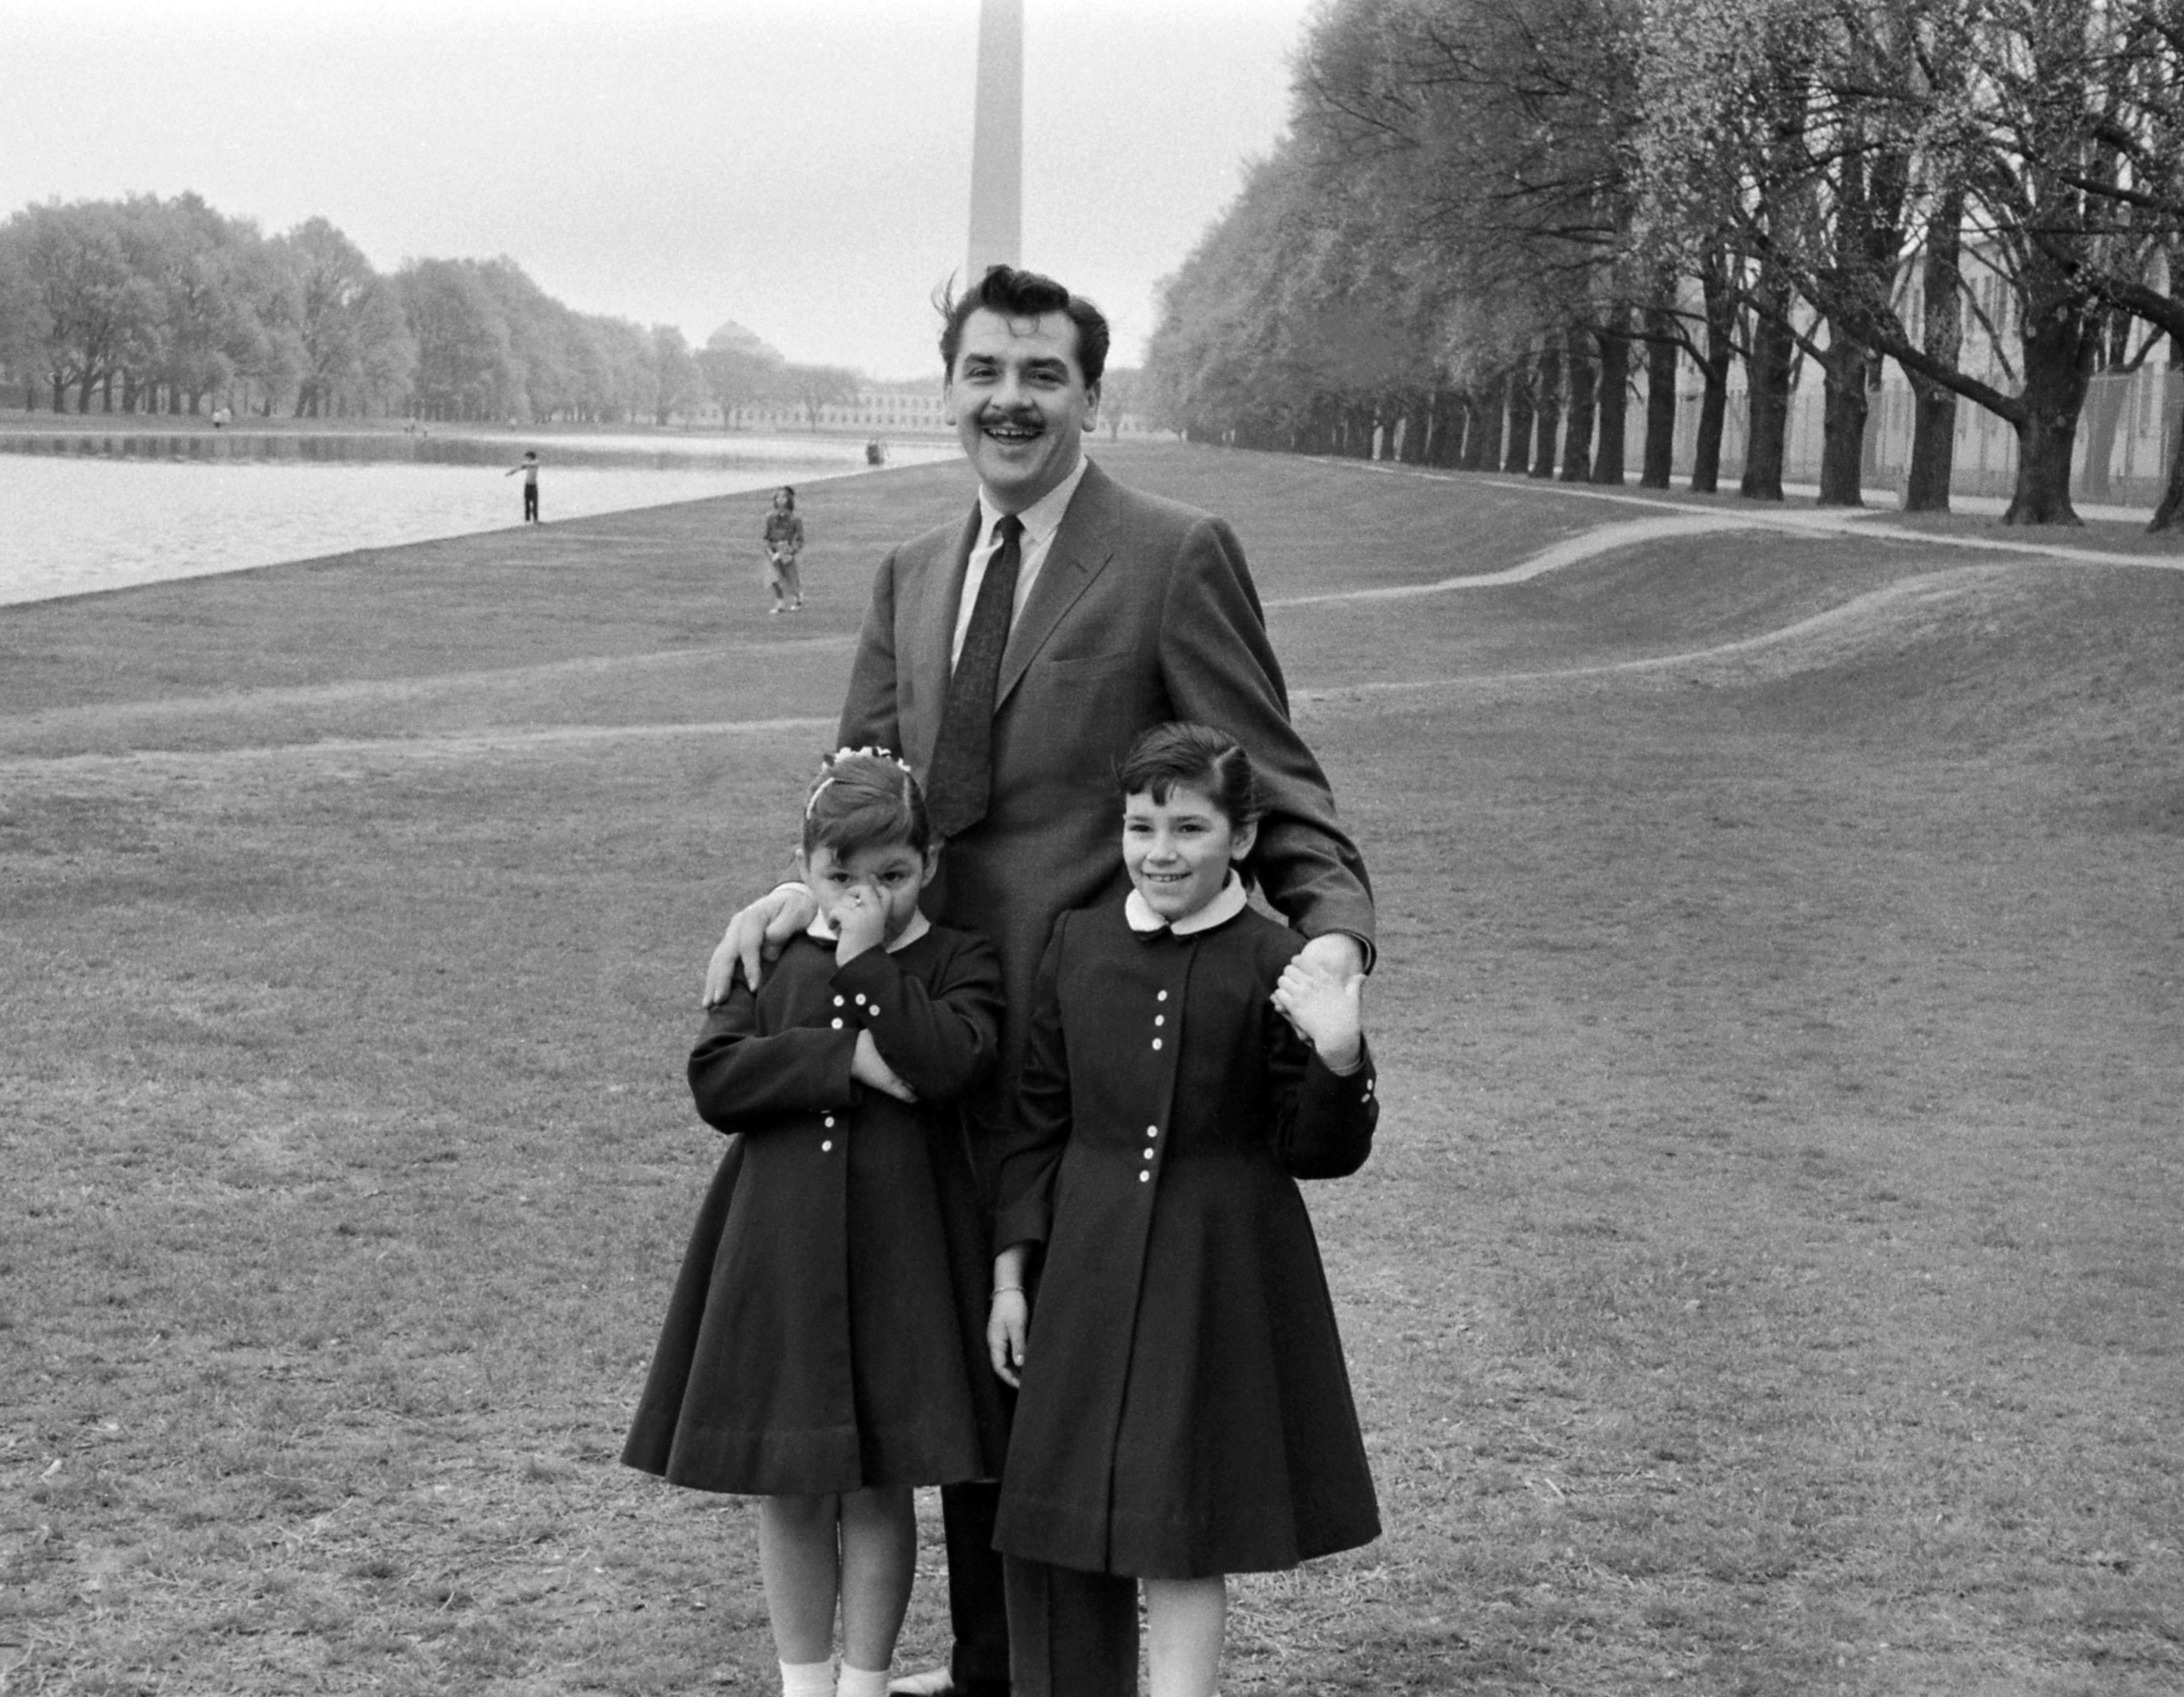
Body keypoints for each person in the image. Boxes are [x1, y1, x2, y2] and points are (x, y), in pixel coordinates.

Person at [705, 265, 1375, 1697]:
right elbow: (863, 810)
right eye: (985, 371)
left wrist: (1329, 930)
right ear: (948, 387)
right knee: (959, 1368)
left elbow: (1272, 772)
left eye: (1042, 374)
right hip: (924, 1041)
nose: (1010, 398)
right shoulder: (908, 574)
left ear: (1089, 392)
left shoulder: (1174, 551)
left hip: (1080, 1053)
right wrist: (792, 894)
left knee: (1057, 1394)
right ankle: (988, 1664)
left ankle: (1043, 1675)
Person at [984, 723, 1378, 1697]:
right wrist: (1009, 1277)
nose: (1160, 852)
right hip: (1086, 1262)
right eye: (1140, 826)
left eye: (1189, 828)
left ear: (1240, 839)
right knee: (1063, 1514)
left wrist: (1336, 1057)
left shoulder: (1276, 959)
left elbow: (1316, 1151)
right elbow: (1037, 1122)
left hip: (1218, 1266)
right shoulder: (1075, 944)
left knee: (1180, 1521)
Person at [624, 747, 1009, 1697]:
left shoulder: (962, 959)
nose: (862, 896)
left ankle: (864, 1682)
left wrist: (871, 964)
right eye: (839, 877)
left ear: (929, 864)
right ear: (801, 864)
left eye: (892, 876)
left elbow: (951, 1061)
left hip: (901, 1255)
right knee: (792, 1484)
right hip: (782, 1249)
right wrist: (841, 1066)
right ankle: (805, 1681)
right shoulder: (766, 953)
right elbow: (717, 1077)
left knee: (880, 1484)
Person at [766, 485, 807, 613]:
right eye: (778, 497)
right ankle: (780, 604)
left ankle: (798, 599)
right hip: (773, 549)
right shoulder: (770, 517)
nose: (780, 500)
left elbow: (799, 539)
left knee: (790, 577)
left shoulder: (795, 519)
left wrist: (791, 550)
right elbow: (766, 535)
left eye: (783, 497)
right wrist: (769, 548)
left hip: (786, 550)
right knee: (774, 578)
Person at [505, 450, 540, 522]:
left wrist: (525, 463)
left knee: (535, 504)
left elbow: (532, 464)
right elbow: (518, 469)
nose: (526, 459)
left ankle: (536, 520)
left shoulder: (536, 463)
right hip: (527, 485)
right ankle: (527, 520)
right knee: (527, 504)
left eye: (527, 458)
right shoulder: (527, 465)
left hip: (534, 486)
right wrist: (511, 473)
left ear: (531, 457)